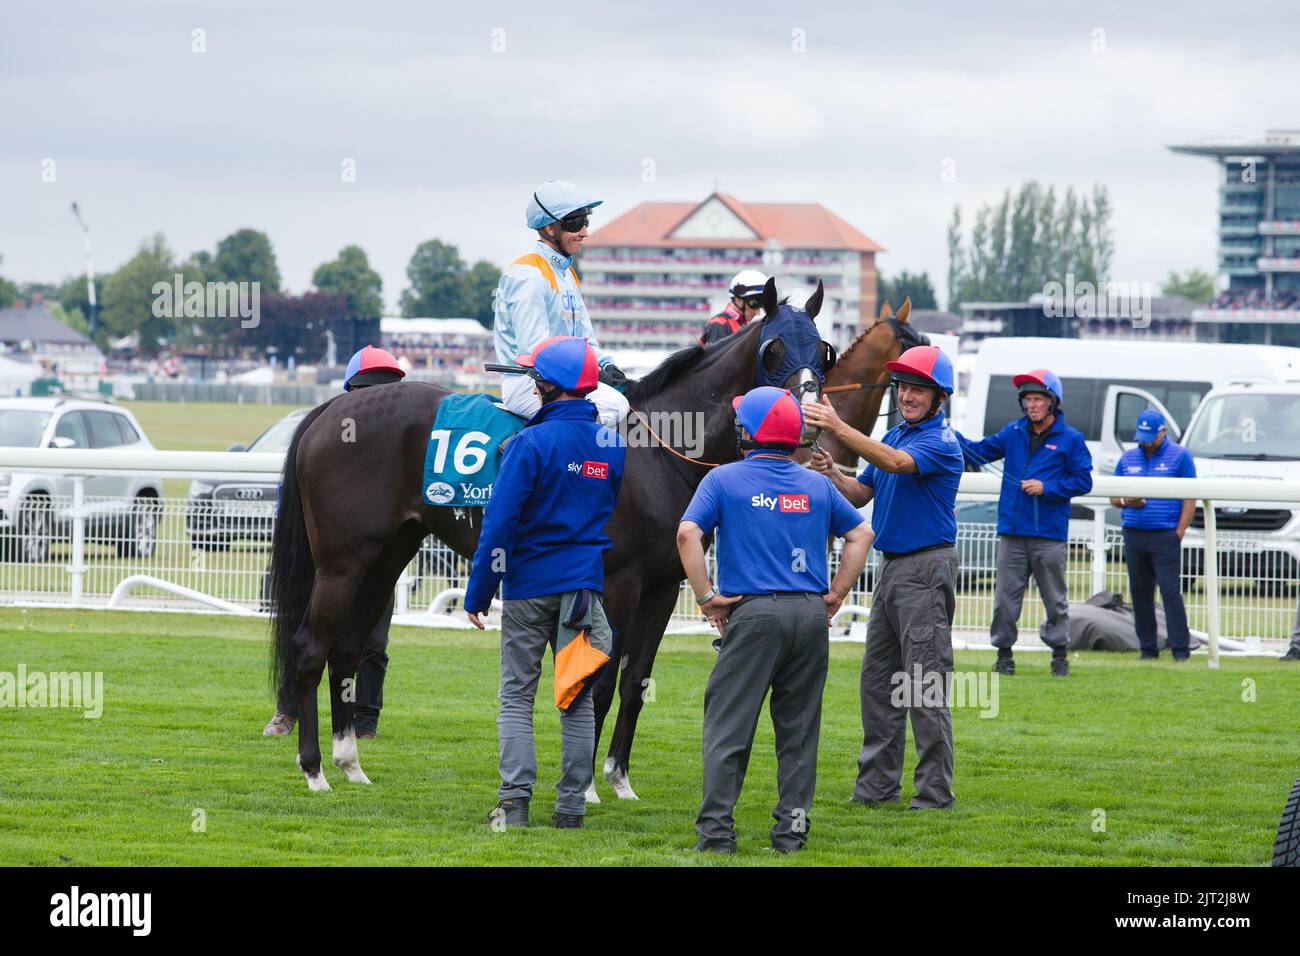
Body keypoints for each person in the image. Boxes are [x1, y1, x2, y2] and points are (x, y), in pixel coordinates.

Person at [677, 386, 870, 853]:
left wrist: (707, 598)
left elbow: (687, 534)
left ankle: (717, 835)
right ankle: (791, 835)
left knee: (728, 728)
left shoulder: (723, 479)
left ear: (748, 433)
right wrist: (836, 594)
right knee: (799, 735)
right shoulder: (818, 484)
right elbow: (862, 533)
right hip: (809, 616)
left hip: (753, 614)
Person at [463, 336, 626, 830]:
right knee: (574, 699)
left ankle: (514, 804)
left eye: (535, 380)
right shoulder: (611, 446)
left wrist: (478, 592)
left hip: (529, 586)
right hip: (582, 589)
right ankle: (571, 809)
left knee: (517, 696)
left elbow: (499, 524)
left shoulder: (530, 442)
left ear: (546, 387)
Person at [804, 344, 964, 809]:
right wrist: (833, 471)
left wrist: (836, 425)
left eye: (918, 388)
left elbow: (894, 465)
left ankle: (934, 794)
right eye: (904, 386)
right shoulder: (896, 434)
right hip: (892, 568)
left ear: (940, 398)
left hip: (926, 569)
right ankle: (876, 788)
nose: (908, 395)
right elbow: (858, 494)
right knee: (878, 685)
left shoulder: (940, 441)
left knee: (923, 684)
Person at [263, 345, 405, 739]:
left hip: (374, 557)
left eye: (387, 389)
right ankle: (287, 709)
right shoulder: (328, 434)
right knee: (307, 626)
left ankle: (364, 721)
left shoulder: (398, 444)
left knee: (372, 642)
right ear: (350, 392)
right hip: (324, 555)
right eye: (368, 389)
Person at [955, 369, 1093, 677]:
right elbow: (977, 452)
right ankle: (1004, 656)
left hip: (1049, 535)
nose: (1032, 405)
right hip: (1012, 533)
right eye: (1028, 399)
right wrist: (948, 431)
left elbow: (1083, 481)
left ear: (1052, 403)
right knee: (1005, 601)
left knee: (1055, 600)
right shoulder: (1013, 433)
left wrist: (1048, 488)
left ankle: (1059, 656)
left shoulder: (1071, 440)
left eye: (1038, 399)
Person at [492, 180, 630, 428]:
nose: (585, 231)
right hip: (532, 384)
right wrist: (594, 374)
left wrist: (607, 365)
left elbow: (585, 340)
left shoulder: (567, 274)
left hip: (568, 379)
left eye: (586, 221)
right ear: (548, 228)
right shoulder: (527, 275)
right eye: (575, 222)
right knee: (616, 405)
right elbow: (536, 349)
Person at [1109, 409, 1196, 660]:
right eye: (1141, 436)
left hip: (1165, 536)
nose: (1144, 441)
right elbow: (1114, 496)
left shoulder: (1180, 457)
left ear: (1163, 432)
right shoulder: (1127, 458)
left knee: (1170, 593)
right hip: (1134, 534)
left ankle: (1180, 649)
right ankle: (1147, 649)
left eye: (1150, 436)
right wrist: (1127, 501)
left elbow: (1190, 496)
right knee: (1140, 593)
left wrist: (1178, 532)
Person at [698, 269, 769, 346]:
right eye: (754, 304)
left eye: (761, 305)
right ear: (738, 300)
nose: (758, 312)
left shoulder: (745, 325)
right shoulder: (719, 325)